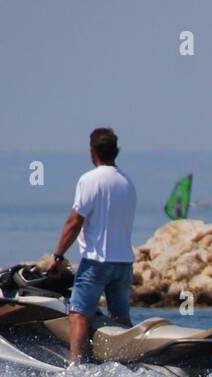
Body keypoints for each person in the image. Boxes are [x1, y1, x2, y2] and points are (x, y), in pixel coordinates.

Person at [51, 128, 137, 363]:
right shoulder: (127, 182)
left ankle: (77, 369)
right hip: (124, 263)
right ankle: (129, 363)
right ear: (116, 151)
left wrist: (58, 256)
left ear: (92, 152)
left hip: (97, 262)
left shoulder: (90, 179)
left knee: (79, 314)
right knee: (120, 319)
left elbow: (74, 221)